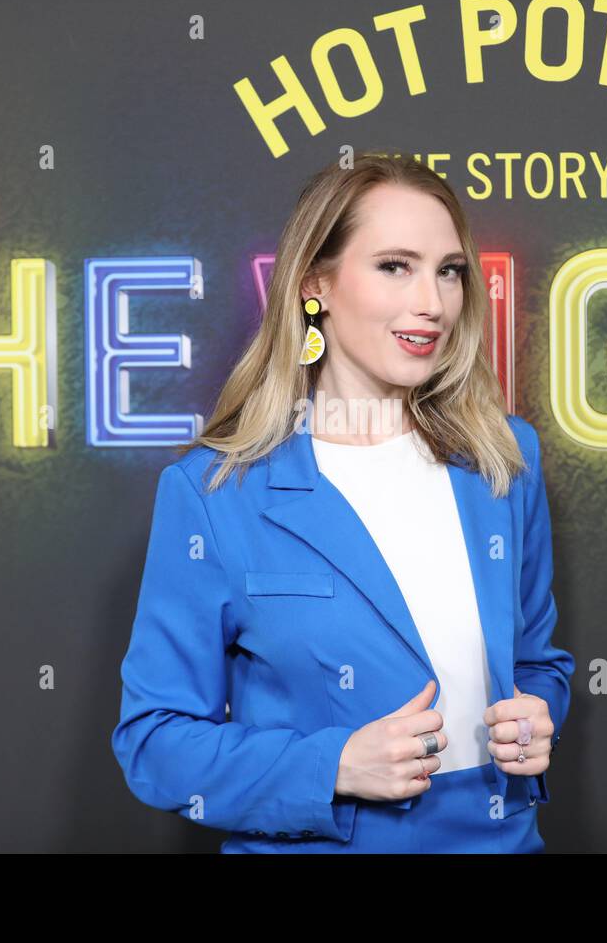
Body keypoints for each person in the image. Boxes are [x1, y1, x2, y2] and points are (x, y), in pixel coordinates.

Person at [110, 153, 574, 852]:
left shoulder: (504, 458)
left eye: (448, 270)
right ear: (315, 285)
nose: (432, 302)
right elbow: (154, 744)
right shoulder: (215, 493)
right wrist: (330, 767)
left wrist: (538, 715)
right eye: (395, 265)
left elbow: (538, 662)